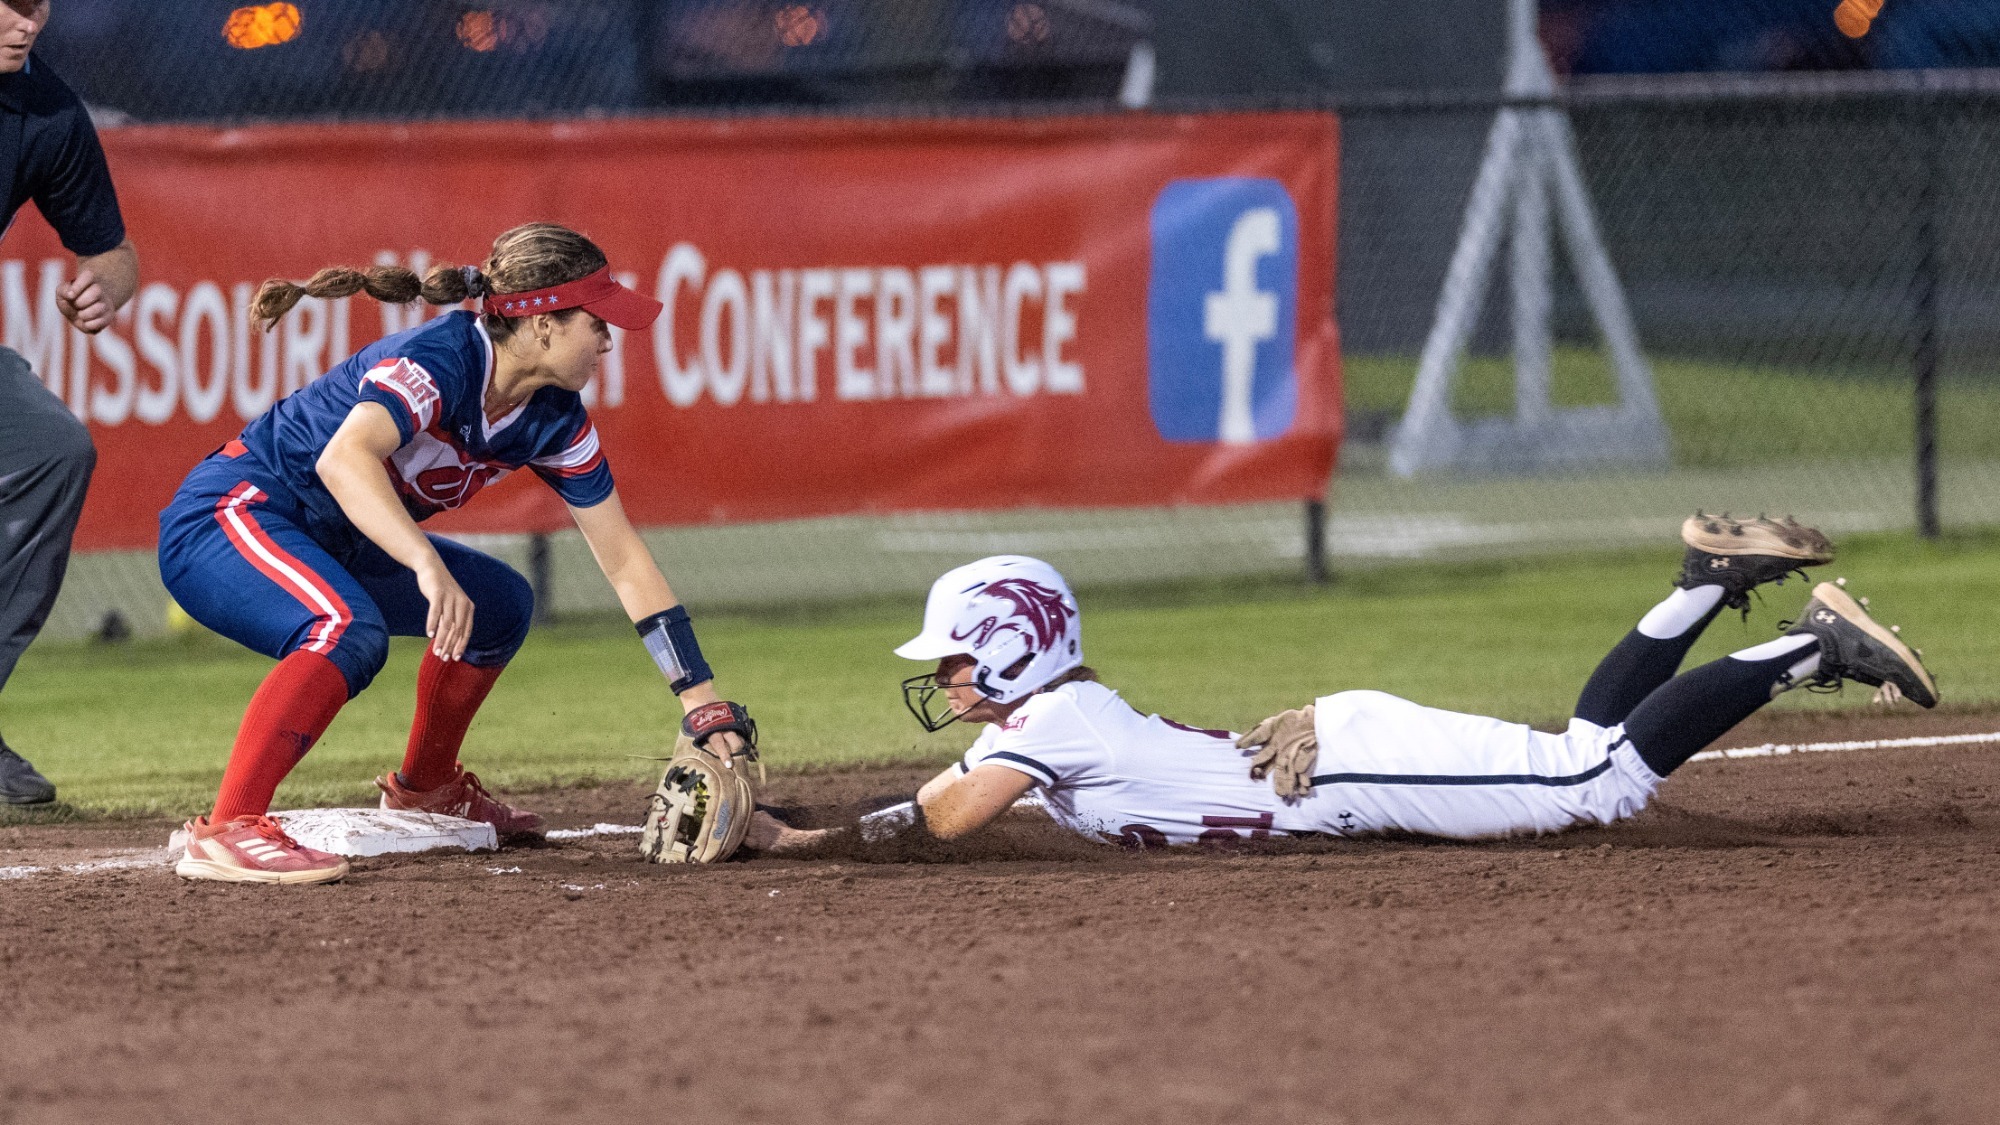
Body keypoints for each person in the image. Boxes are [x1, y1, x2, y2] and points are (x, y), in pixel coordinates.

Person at [748, 515, 1937, 852]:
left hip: (1348, 768)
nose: (944, 677)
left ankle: (1808, 647)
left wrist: (794, 844)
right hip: (1332, 759)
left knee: (1594, 782)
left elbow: (946, 818)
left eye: (954, 655)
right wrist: (784, 833)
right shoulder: (1052, 717)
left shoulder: (1052, 719)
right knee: (1577, 743)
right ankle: (1702, 585)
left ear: (1013, 644)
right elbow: (944, 801)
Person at [158, 222, 752, 884]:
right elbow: (344, 460)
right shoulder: (442, 358)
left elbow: (623, 558)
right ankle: (229, 827)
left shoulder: (554, 416)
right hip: (232, 515)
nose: (609, 340)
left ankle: (427, 787)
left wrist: (699, 698)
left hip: (332, 539)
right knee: (344, 628)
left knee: (499, 606)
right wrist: (425, 563)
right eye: (597, 322)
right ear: (544, 324)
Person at [0, 0, 140, 804]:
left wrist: (107, 290)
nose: (27, 23)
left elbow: (112, 252)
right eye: (9, 6)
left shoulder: (46, 110)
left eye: (37, 6)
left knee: (55, 450)